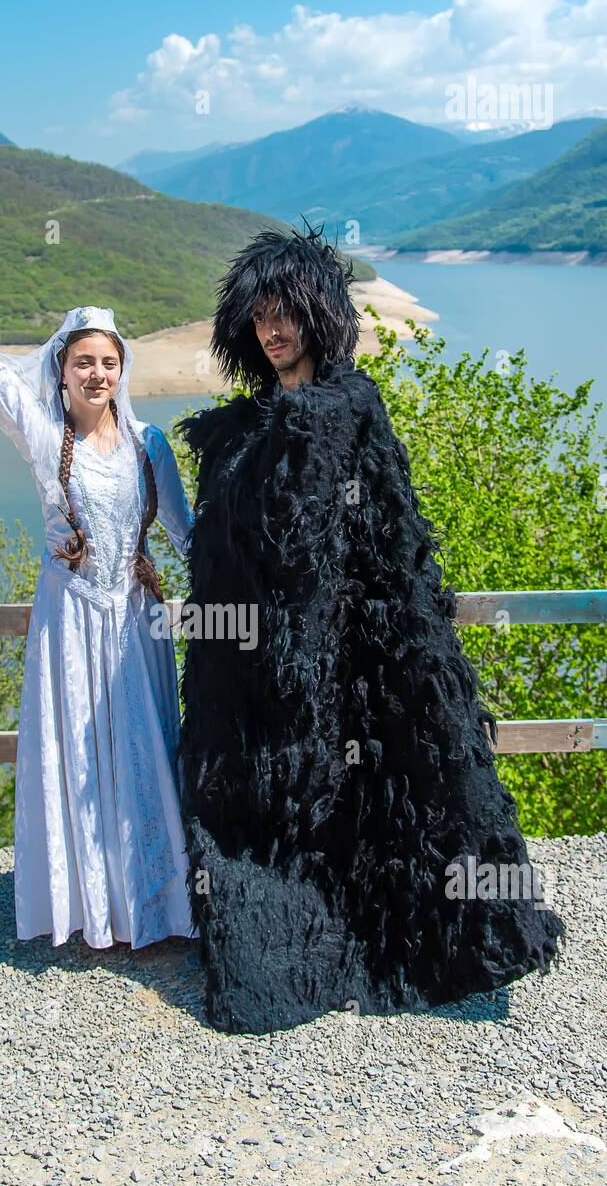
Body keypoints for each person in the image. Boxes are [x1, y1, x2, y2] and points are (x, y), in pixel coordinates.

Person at [177, 222, 566, 1035]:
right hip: (261, 663)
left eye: (285, 313)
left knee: (367, 791)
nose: (272, 330)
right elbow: (225, 545)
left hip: (353, 652)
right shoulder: (244, 427)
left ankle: (377, 935)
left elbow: (382, 540)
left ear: (318, 313)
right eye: (258, 318)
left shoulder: (349, 407)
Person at [0, 193, 196, 950]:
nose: (96, 372)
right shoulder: (42, 431)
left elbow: (190, 535)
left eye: (108, 362)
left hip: (139, 626)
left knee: (144, 758)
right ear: (62, 370)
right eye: (83, 361)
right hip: (69, 623)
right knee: (77, 758)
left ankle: (150, 905)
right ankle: (86, 907)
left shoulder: (151, 443)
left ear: (123, 370)